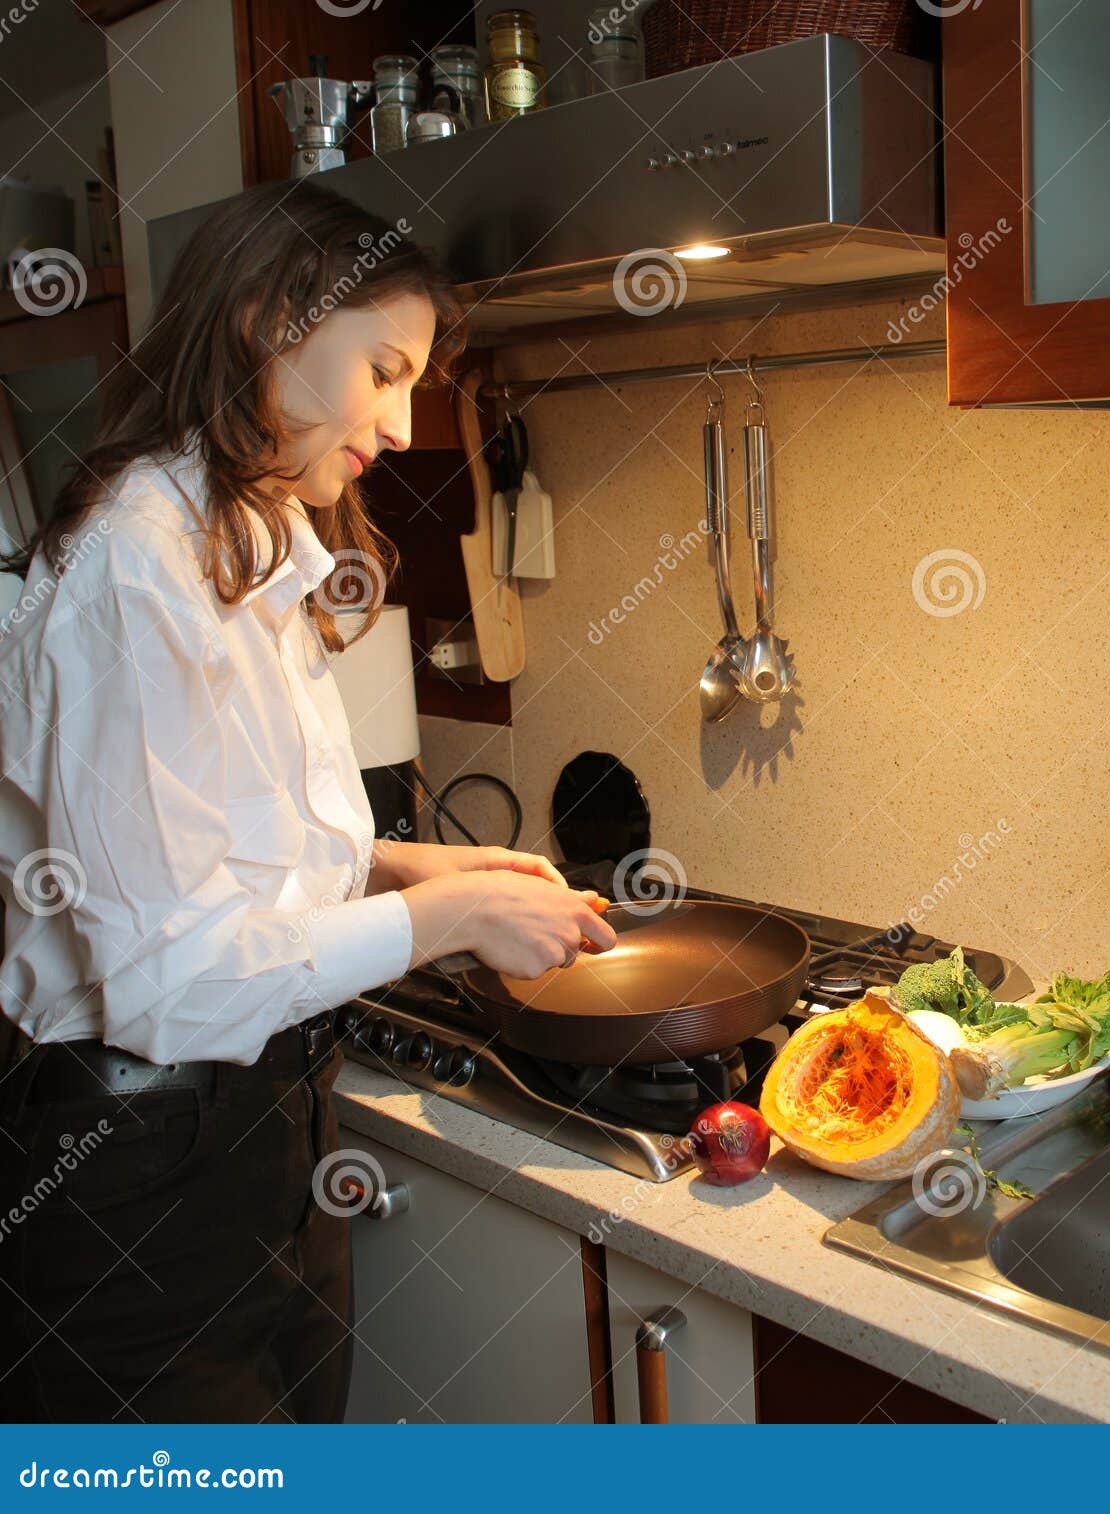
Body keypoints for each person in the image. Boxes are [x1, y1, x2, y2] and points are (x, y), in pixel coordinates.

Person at [0, 180, 616, 1423]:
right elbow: (169, 981)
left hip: (261, 1131)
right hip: (134, 1173)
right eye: (383, 370)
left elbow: (230, 851)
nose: (399, 424)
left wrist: (406, 869)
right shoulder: (139, 561)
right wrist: (450, 926)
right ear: (271, 321)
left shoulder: (246, 529)